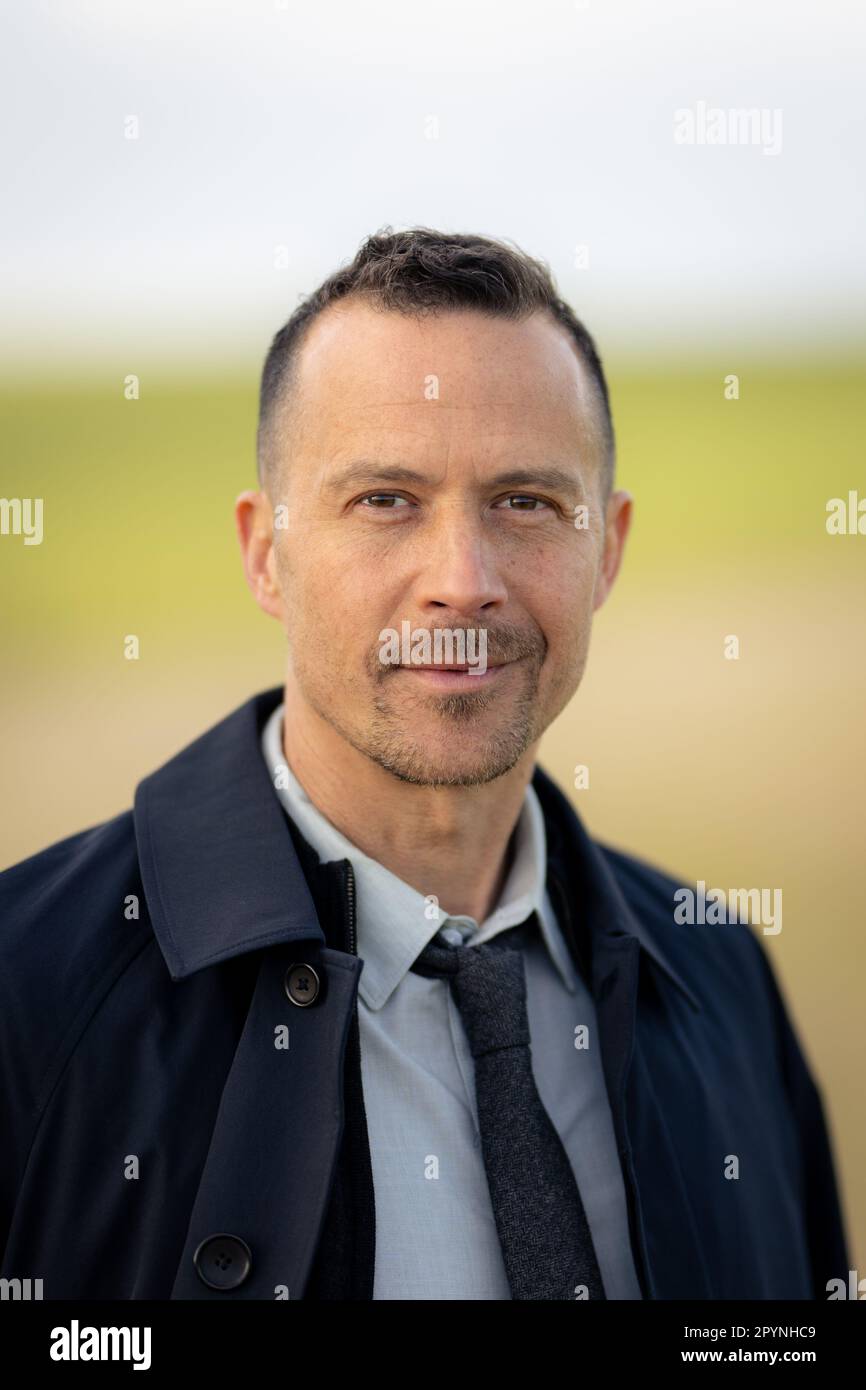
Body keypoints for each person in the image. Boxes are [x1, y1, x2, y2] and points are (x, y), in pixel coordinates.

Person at [0, 227, 850, 1300]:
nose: (461, 580)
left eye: (525, 503)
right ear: (267, 552)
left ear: (609, 552)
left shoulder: (719, 975)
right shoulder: (25, 990)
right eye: (385, 500)